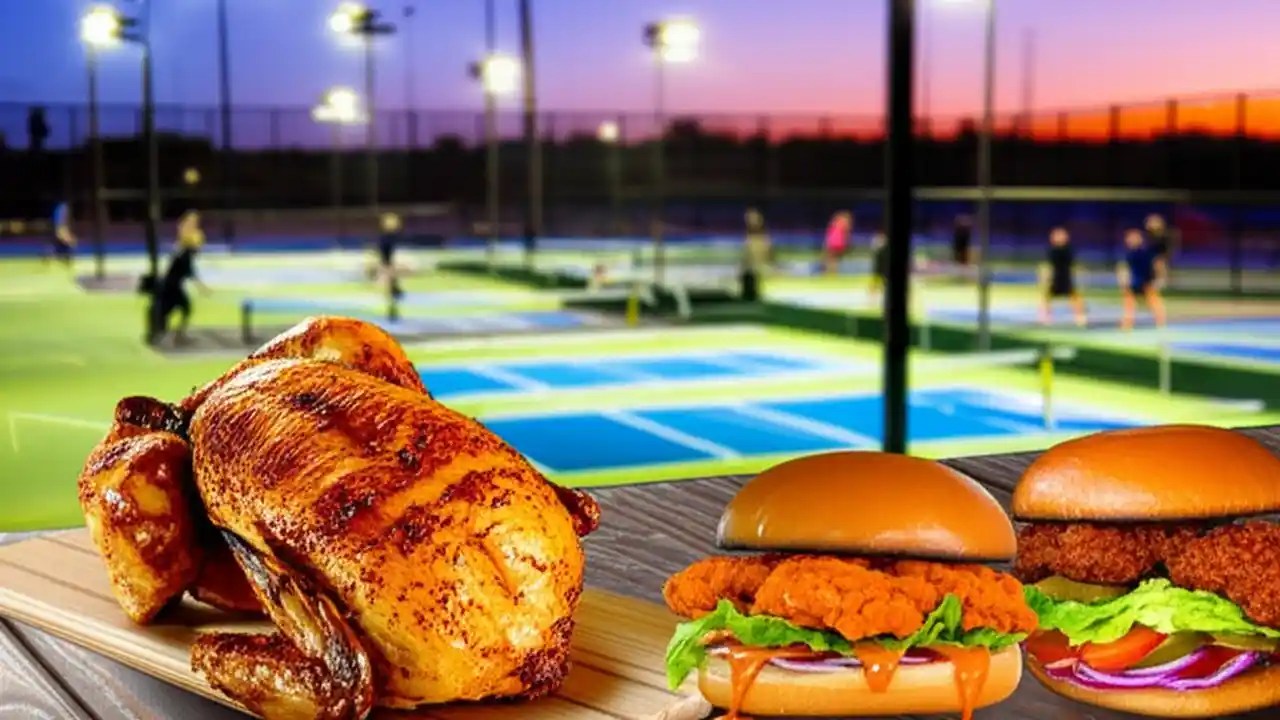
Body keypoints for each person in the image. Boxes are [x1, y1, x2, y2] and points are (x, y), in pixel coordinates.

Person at [148, 210, 210, 346]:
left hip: (170, 285)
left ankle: (168, 335)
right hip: (171, 287)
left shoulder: (181, 251)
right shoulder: (185, 254)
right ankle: (173, 336)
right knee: (182, 309)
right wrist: (202, 288)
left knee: (173, 310)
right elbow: (191, 272)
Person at [1117, 228, 1166, 331]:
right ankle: (1127, 325)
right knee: (1129, 304)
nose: (1130, 240)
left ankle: (1160, 323)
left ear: (1140, 239)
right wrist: (1123, 281)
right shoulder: (1128, 254)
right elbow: (1124, 268)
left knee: (1153, 302)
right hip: (1133, 282)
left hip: (1146, 281)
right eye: (1129, 238)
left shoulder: (1146, 252)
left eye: (1133, 238)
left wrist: (1159, 279)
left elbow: (1158, 264)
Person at [1038, 226, 1087, 327]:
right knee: (1046, 297)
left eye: (1061, 235)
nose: (1059, 237)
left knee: (1075, 297)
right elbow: (1047, 266)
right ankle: (1045, 317)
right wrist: (1045, 278)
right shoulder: (1051, 251)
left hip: (1066, 277)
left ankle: (1080, 317)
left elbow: (1074, 266)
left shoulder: (1069, 250)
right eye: (1056, 235)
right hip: (1054, 278)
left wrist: (1080, 277)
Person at [740, 208, 772, 301]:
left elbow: (769, 258)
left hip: (764, 274)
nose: (752, 222)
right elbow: (746, 259)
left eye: (754, 219)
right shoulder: (748, 240)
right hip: (752, 274)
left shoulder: (765, 240)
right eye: (749, 219)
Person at [376, 212, 406, 301]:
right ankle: (393, 291)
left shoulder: (387, 237)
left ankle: (393, 291)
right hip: (387, 258)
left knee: (389, 274)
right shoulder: (386, 238)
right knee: (389, 274)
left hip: (387, 258)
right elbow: (384, 249)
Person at [1145, 213, 1173, 286]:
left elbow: (1167, 250)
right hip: (1149, 257)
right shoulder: (1146, 236)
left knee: (1158, 262)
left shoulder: (1167, 235)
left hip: (1161, 258)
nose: (1151, 224)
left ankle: (1162, 280)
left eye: (1154, 222)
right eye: (1150, 222)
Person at [45, 201, 76, 269]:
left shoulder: (61, 209)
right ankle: (63, 257)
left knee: (62, 245)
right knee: (69, 243)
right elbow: (60, 225)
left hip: (61, 228)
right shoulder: (61, 210)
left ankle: (54, 255)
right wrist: (66, 236)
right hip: (60, 229)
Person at [823, 211, 853, 275]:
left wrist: (827, 243)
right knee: (833, 259)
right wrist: (847, 243)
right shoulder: (843, 222)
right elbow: (847, 234)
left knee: (830, 258)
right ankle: (832, 272)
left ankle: (829, 273)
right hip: (839, 243)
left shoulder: (836, 222)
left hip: (834, 242)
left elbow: (830, 233)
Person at [867, 230, 888, 302]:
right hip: (879, 266)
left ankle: (881, 296)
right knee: (875, 281)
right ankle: (871, 297)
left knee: (884, 282)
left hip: (884, 266)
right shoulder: (877, 242)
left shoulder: (884, 242)